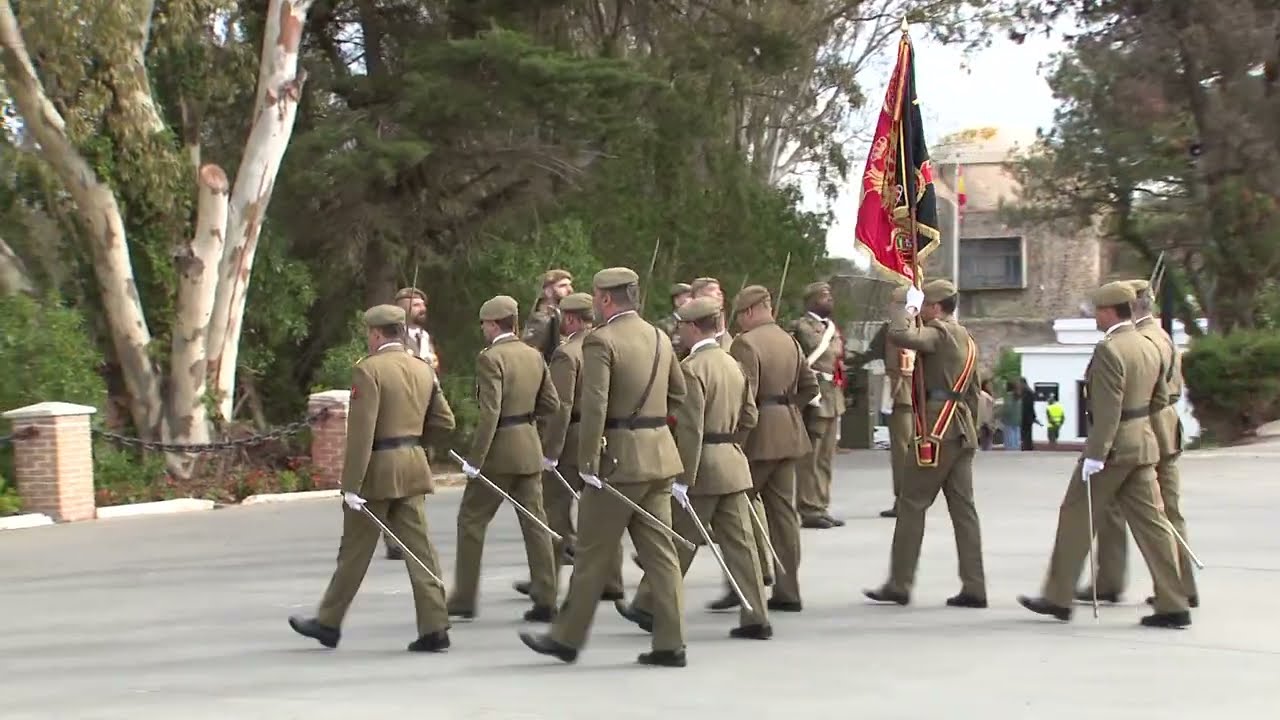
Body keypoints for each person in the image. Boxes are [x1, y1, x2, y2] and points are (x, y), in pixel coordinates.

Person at [520, 267, 690, 668]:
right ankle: (671, 642)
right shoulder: (660, 336)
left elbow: (595, 405)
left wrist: (589, 461)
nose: (595, 303)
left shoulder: (601, 340)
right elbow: (679, 394)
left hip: (617, 461)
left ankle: (566, 638)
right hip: (659, 457)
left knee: (592, 554)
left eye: (597, 297)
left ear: (607, 299)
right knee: (661, 556)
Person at [1019, 281, 1191, 629]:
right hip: (1142, 444)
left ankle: (1058, 597)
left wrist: (1096, 454)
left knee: (1075, 517)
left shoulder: (1110, 350)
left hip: (1111, 449)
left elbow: (1107, 411)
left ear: (1110, 311)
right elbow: (1160, 399)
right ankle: (1174, 602)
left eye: (1096, 310)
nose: (1094, 316)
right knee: (1154, 525)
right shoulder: (1148, 344)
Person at [288, 304, 455, 652]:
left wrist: (351, 485)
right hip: (412, 464)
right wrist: (413, 440)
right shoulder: (423, 369)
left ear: (377, 333)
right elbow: (445, 422)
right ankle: (435, 626)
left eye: (369, 333)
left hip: (377, 471)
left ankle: (328, 622)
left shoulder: (369, 370)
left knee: (354, 552)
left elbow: (361, 432)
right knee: (421, 551)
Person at [617, 296, 772, 639]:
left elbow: (691, 429)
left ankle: (648, 604)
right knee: (741, 545)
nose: (678, 332)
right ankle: (757, 617)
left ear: (691, 327)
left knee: (678, 540)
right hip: (731, 463)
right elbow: (750, 417)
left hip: (702, 467)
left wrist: (683, 477)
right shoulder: (732, 364)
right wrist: (731, 445)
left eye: (680, 326)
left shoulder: (692, 368)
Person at [864, 279, 987, 609]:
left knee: (911, 503)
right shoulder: (968, 339)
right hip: (960, 427)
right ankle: (975, 585)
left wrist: (903, 307)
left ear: (934, 307)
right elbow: (974, 393)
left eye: (924, 307)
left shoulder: (942, 332)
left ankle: (899, 583)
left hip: (936, 429)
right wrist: (970, 430)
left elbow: (901, 335)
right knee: (964, 511)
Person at [1076, 278, 1198, 609]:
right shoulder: (1160, 335)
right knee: (1158, 512)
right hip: (1159, 429)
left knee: (1147, 513)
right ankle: (1176, 586)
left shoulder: (1140, 338)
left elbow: (1149, 390)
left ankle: (1162, 588)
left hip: (1143, 431)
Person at [449, 295, 561, 623]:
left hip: (499, 451)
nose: (482, 328)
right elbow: (552, 404)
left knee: (471, 520)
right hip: (528, 446)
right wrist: (527, 423)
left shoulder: (490, 358)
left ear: (495, 323)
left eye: (484, 323)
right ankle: (546, 596)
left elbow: (491, 412)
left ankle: (464, 598)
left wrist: (475, 459)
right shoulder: (534, 355)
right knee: (535, 522)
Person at [709, 284, 818, 614]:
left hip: (758, 440)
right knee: (784, 516)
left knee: (731, 512)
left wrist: (736, 437)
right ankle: (789, 589)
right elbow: (809, 387)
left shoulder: (746, 343)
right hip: (789, 433)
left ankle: (741, 586)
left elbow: (746, 397)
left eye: (741, 316)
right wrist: (786, 409)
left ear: (751, 311)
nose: (739, 323)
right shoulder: (790, 340)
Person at [513, 292, 626, 602]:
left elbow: (561, 407)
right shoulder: (610, 345)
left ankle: (544, 582)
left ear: (572, 319)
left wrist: (550, 451)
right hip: (606, 433)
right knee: (602, 510)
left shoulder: (568, 353)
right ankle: (611, 579)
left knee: (553, 510)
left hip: (573, 436)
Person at [383, 286, 440, 561]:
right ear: (402, 308)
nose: (421, 308)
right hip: (401, 411)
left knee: (417, 476)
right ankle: (393, 538)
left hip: (424, 408)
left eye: (422, 303)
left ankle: (411, 532)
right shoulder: (393, 339)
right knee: (394, 479)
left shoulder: (425, 337)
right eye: (415, 304)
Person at [790, 281, 849, 529]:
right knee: (810, 457)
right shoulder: (801, 326)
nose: (830, 299)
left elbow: (837, 355)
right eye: (824, 296)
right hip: (815, 395)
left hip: (833, 396)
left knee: (825, 456)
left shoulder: (831, 328)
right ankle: (808, 506)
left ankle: (821, 504)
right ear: (812, 300)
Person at [852, 285, 915, 518]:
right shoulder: (923, 327)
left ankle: (904, 502)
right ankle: (912, 500)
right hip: (920, 397)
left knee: (902, 453)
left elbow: (870, 354)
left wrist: (848, 361)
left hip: (900, 395)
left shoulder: (892, 329)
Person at [523, 269, 574, 362]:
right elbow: (531, 356)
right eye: (562, 286)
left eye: (569, 285)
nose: (570, 290)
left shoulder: (562, 315)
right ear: (548, 291)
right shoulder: (541, 319)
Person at [658, 282, 694, 347]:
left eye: (693, 297)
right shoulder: (664, 325)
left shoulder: (696, 324)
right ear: (676, 300)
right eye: (688, 297)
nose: (691, 300)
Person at [999, 381, 1021, 450]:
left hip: (1008, 421)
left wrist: (1002, 417)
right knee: (1016, 440)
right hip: (1017, 420)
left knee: (1009, 441)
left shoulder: (1008, 396)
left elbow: (1007, 409)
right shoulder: (1018, 396)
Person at [1020, 377, 1040, 451]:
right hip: (1028, 416)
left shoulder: (1026, 392)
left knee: (1026, 433)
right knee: (1027, 433)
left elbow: (1027, 406)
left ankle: (1027, 447)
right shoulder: (1029, 391)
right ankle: (1028, 447)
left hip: (1026, 416)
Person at [977, 379, 996, 451]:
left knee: (988, 440)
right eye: (989, 385)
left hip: (989, 420)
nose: (990, 387)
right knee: (986, 440)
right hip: (986, 421)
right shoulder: (983, 395)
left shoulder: (987, 395)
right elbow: (983, 408)